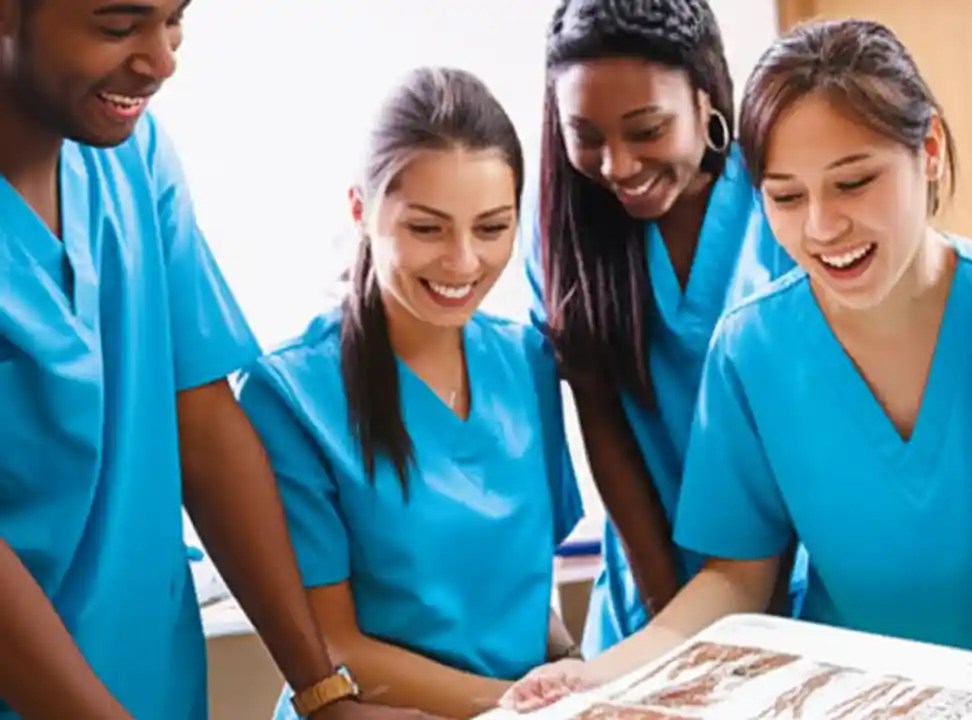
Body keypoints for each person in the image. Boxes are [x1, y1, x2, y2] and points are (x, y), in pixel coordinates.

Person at [502, 17, 972, 712]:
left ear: (930, 149)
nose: (822, 227)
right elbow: (738, 575)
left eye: (853, 183)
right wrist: (610, 671)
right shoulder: (750, 349)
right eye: (787, 197)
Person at [0, 1, 433, 719]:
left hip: (152, 679)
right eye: (119, 27)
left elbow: (203, 424)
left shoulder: (133, 159)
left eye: (175, 20)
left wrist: (322, 689)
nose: (162, 60)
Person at [235, 67, 585, 720]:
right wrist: (511, 704)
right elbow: (331, 645)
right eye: (427, 229)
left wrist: (573, 675)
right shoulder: (288, 397)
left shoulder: (528, 363)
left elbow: (524, 598)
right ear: (360, 209)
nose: (462, 262)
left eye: (491, 228)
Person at [521, 0, 805, 660]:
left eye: (645, 129)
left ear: (707, 97)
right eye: (585, 135)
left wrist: (757, 619)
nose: (616, 165)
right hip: (649, 599)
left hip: (800, 586)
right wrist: (670, 619)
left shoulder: (783, 201)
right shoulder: (561, 231)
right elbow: (601, 420)